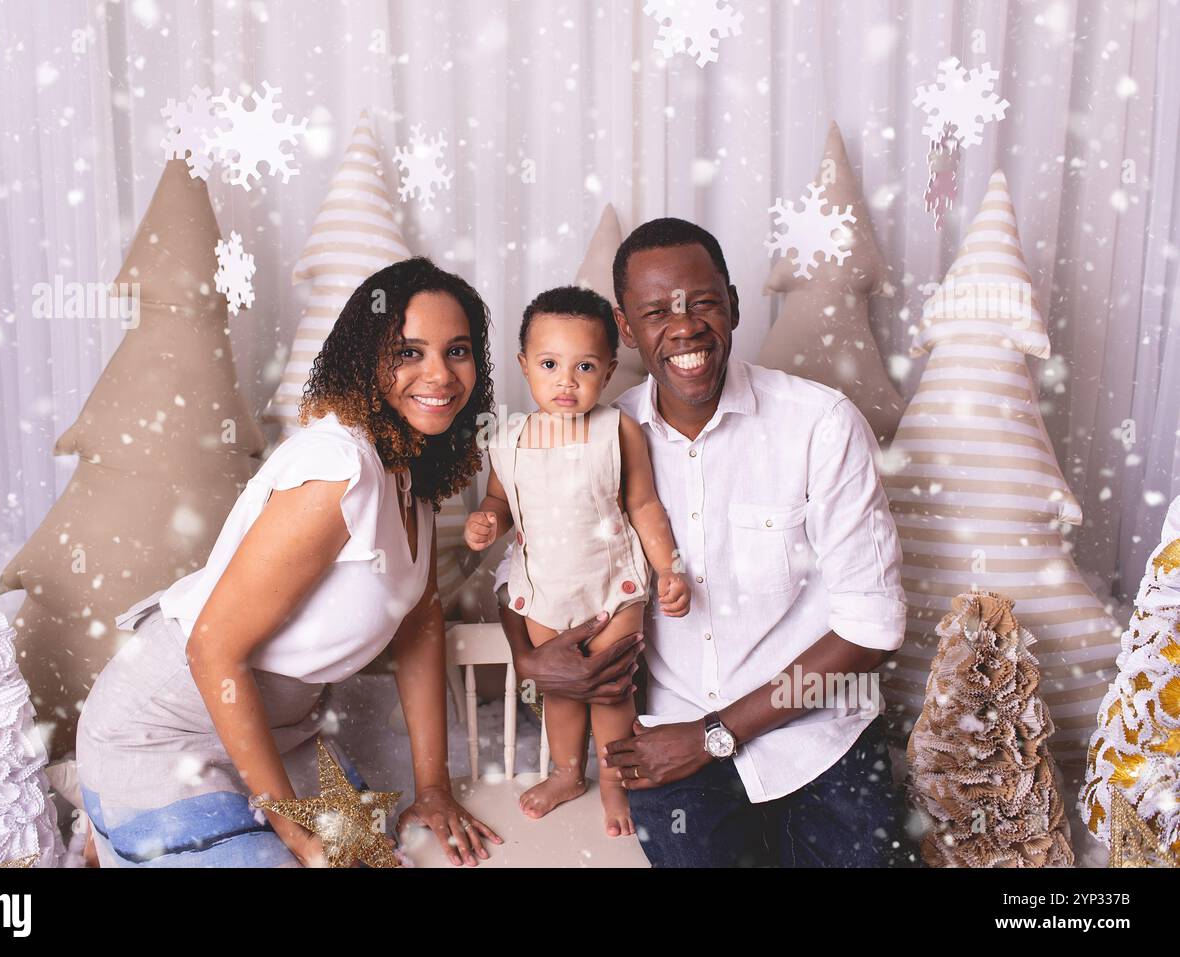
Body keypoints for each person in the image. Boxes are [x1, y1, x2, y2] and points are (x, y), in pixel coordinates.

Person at [495, 218, 910, 866]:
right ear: (625, 328)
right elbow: (520, 563)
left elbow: (872, 628)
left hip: (818, 738)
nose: (684, 326)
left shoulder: (821, 425)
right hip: (667, 742)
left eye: (704, 303)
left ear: (734, 306)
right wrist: (528, 658)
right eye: (656, 311)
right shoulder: (597, 435)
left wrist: (714, 735)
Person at [76, 257, 503, 867]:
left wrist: (432, 787)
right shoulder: (339, 467)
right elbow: (212, 649)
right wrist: (295, 832)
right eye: (409, 352)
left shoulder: (410, 469)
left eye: (457, 351)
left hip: (277, 732)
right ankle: (111, 822)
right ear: (366, 360)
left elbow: (420, 621)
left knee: (373, 857)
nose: (439, 374)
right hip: (163, 729)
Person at [464, 286, 690, 837]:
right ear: (524, 365)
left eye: (584, 366)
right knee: (561, 690)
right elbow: (500, 500)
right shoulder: (508, 440)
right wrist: (487, 520)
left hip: (613, 587)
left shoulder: (617, 431)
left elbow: (644, 505)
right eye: (550, 365)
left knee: (611, 689)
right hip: (543, 589)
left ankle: (614, 781)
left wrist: (669, 569)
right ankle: (567, 773)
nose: (566, 381)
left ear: (609, 370)